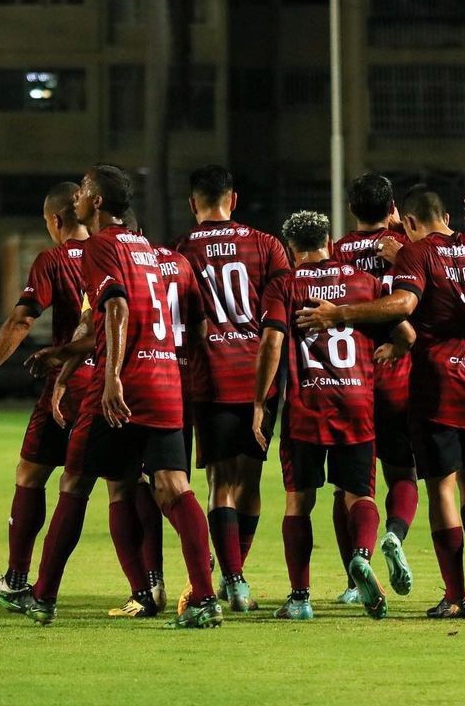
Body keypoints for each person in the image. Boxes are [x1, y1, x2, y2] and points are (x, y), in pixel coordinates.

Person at [297, 185, 465, 618]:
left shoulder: (416, 255)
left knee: (440, 486)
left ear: (414, 224)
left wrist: (338, 314)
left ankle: (455, 595)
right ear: (446, 217)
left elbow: (402, 303)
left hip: (434, 386)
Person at [0, 165, 221, 629]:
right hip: (166, 382)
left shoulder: (100, 247)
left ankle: (43, 595)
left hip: (122, 385)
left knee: (74, 484)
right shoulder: (155, 254)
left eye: (86, 188)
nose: (78, 194)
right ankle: (203, 597)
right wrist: (62, 354)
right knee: (174, 487)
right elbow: (160, 323)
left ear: (96, 201)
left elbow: (114, 308)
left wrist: (112, 375)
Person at [254, 210, 415, 620]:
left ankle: (300, 598)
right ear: (328, 240)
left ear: (291, 249)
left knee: (299, 501)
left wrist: (260, 402)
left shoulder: (284, 285)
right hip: (357, 401)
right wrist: (393, 349)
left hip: (306, 406)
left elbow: (273, 342)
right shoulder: (362, 282)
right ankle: (360, 556)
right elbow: (407, 333)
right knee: (359, 493)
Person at [0, 182, 97, 606]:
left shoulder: (53, 260)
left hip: (70, 384)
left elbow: (20, 323)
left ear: (55, 220)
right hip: (120, 382)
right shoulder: (120, 253)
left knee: (32, 473)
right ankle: (163, 581)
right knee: (134, 484)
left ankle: (19, 578)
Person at [173, 165, 290, 612]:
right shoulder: (267, 246)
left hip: (211, 378)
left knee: (220, 483)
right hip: (260, 376)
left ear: (192, 203)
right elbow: (279, 317)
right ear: (233, 199)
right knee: (251, 480)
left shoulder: (182, 250)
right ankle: (236, 575)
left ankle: (234, 581)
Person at [328, 173, 417, 603]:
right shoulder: (408, 250)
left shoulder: (336, 252)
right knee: (403, 473)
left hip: (351, 379)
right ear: (392, 206)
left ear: (350, 209)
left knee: (349, 487)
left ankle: (352, 578)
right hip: (400, 376)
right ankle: (395, 535)